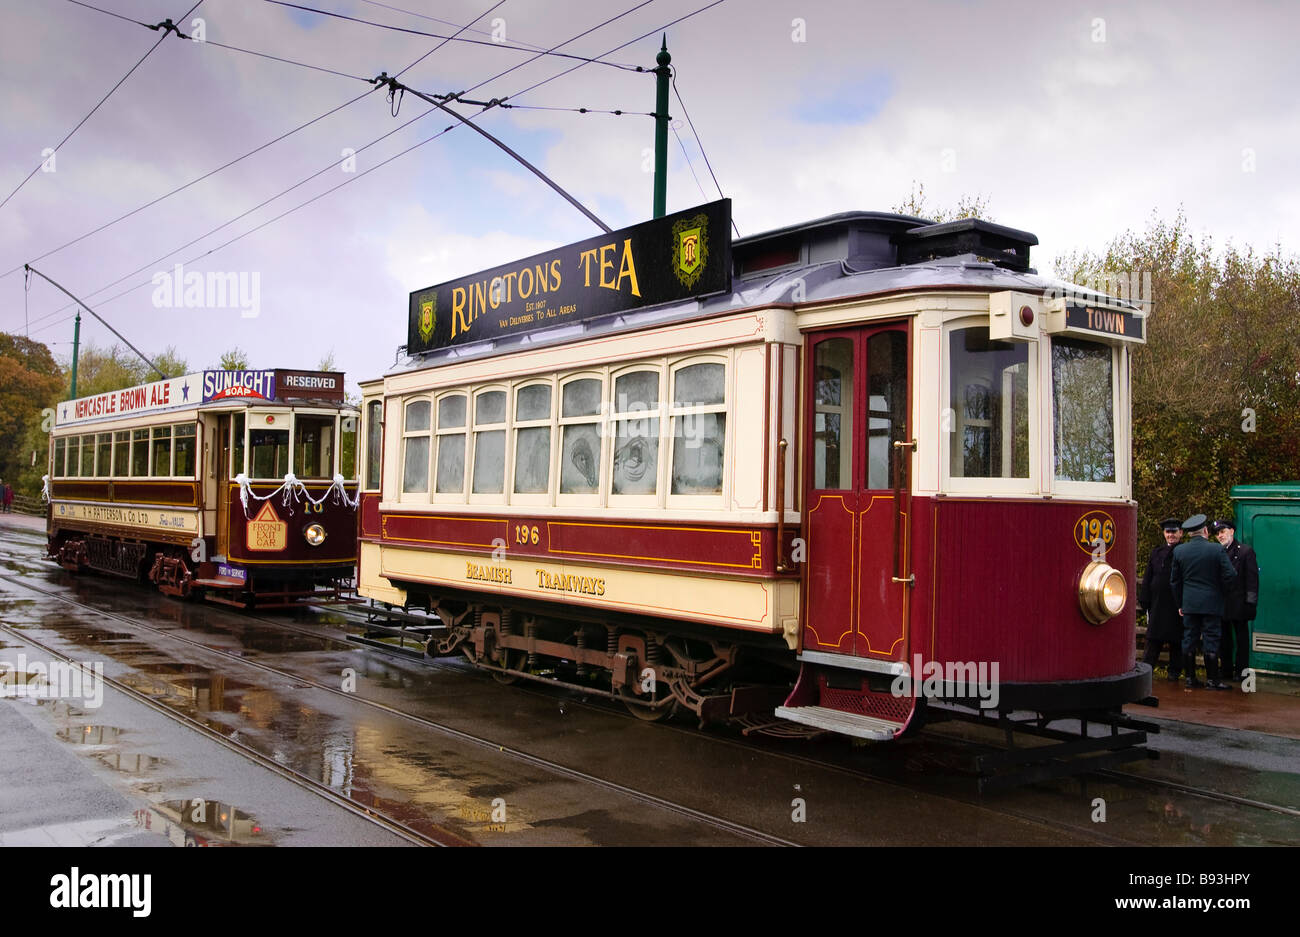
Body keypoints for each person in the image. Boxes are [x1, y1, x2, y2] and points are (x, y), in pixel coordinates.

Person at [1170, 514, 1236, 690]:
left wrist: (1180, 604)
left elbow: (1174, 581)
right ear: (1205, 531)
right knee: (1211, 639)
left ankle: (1190, 679)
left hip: (1189, 604)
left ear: (1189, 534)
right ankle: (1213, 680)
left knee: (1189, 639)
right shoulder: (1216, 550)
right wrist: (1220, 591)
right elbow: (1231, 574)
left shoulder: (1179, 551)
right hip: (1212, 603)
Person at [1137, 517, 1184, 681]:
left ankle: (1174, 674)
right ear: (1164, 533)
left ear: (1181, 533)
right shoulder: (1156, 552)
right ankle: (1146, 672)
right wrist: (1145, 600)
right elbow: (1149, 576)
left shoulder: (1184, 551)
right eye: (1168, 532)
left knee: (1176, 641)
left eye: (1174, 532)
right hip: (1157, 603)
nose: (1171, 535)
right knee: (1153, 640)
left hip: (1175, 603)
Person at [1213, 519, 1259, 684]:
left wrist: (1250, 604)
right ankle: (1225, 670)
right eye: (1218, 533)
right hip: (1222, 604)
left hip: (1240, 603)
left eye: (1223, 532)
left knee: (1241, 640)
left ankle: (1242, 672)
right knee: (1224, 639)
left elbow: (1252, 580)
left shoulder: (1246, 552)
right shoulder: (1217, 552)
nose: (1220, 536)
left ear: (1232, 531)